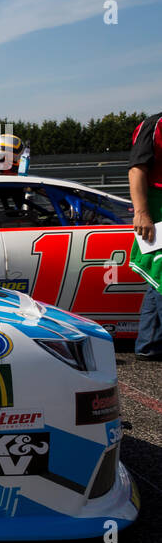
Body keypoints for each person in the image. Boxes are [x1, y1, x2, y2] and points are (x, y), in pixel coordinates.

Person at [127, 109, 162, 360]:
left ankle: (148, 346)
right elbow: (136, 169)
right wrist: (141, 213)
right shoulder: (155, 124)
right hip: (157, 209)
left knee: (156, 280)